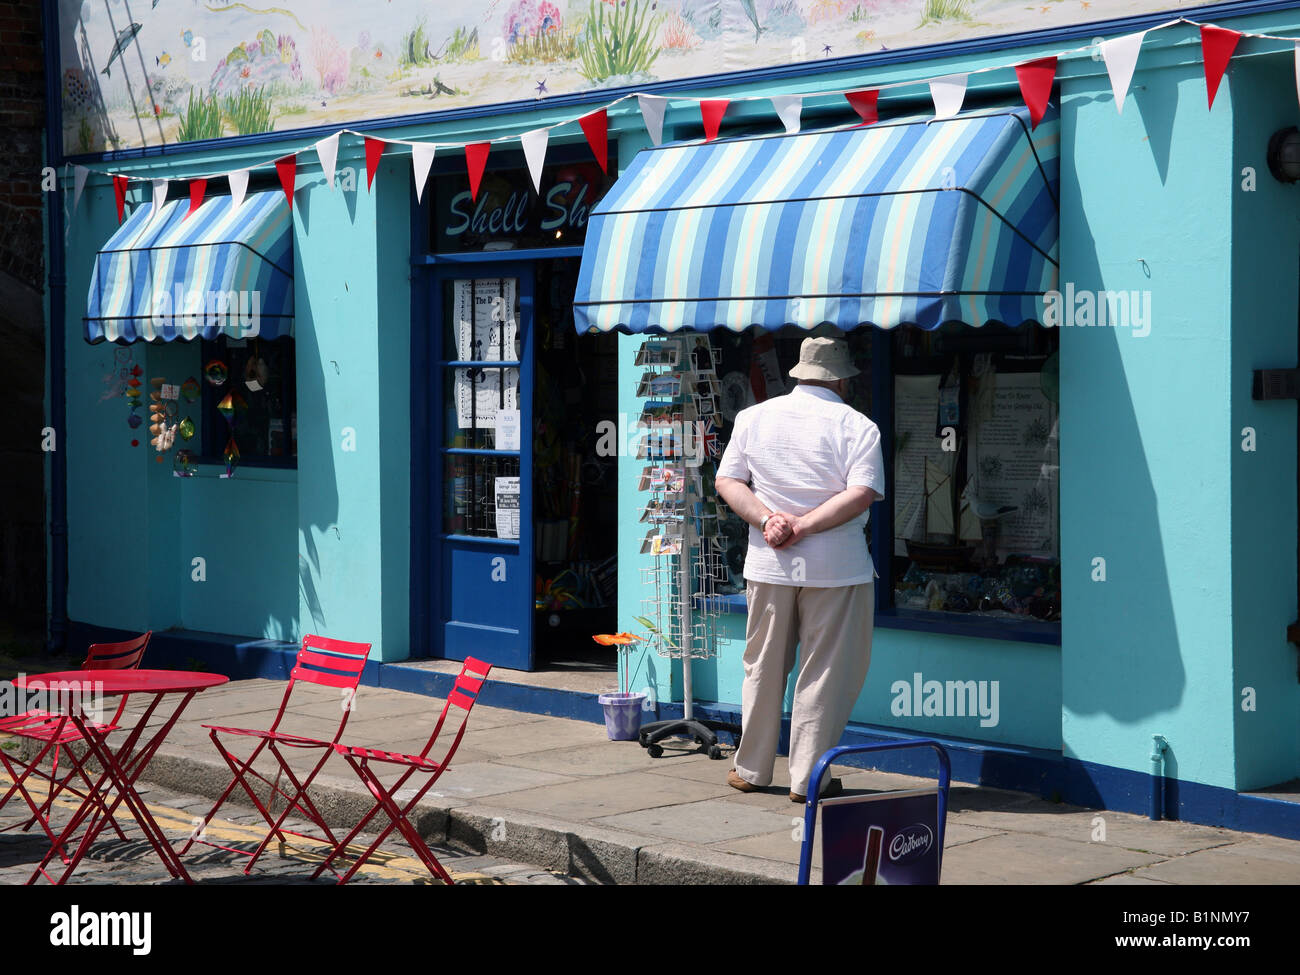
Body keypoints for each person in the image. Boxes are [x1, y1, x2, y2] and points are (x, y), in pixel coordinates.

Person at [714, 335, 884, 802]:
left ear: (799, 372)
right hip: (836, 567)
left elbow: (727, 480)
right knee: (825, 671)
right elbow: (862, 493)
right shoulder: (858, 425)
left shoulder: (753, 417)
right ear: (843, 379)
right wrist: (804, 525)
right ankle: (808, 778)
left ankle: (750, 768)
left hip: (769, 563)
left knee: (763, 666)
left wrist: (771, 520)